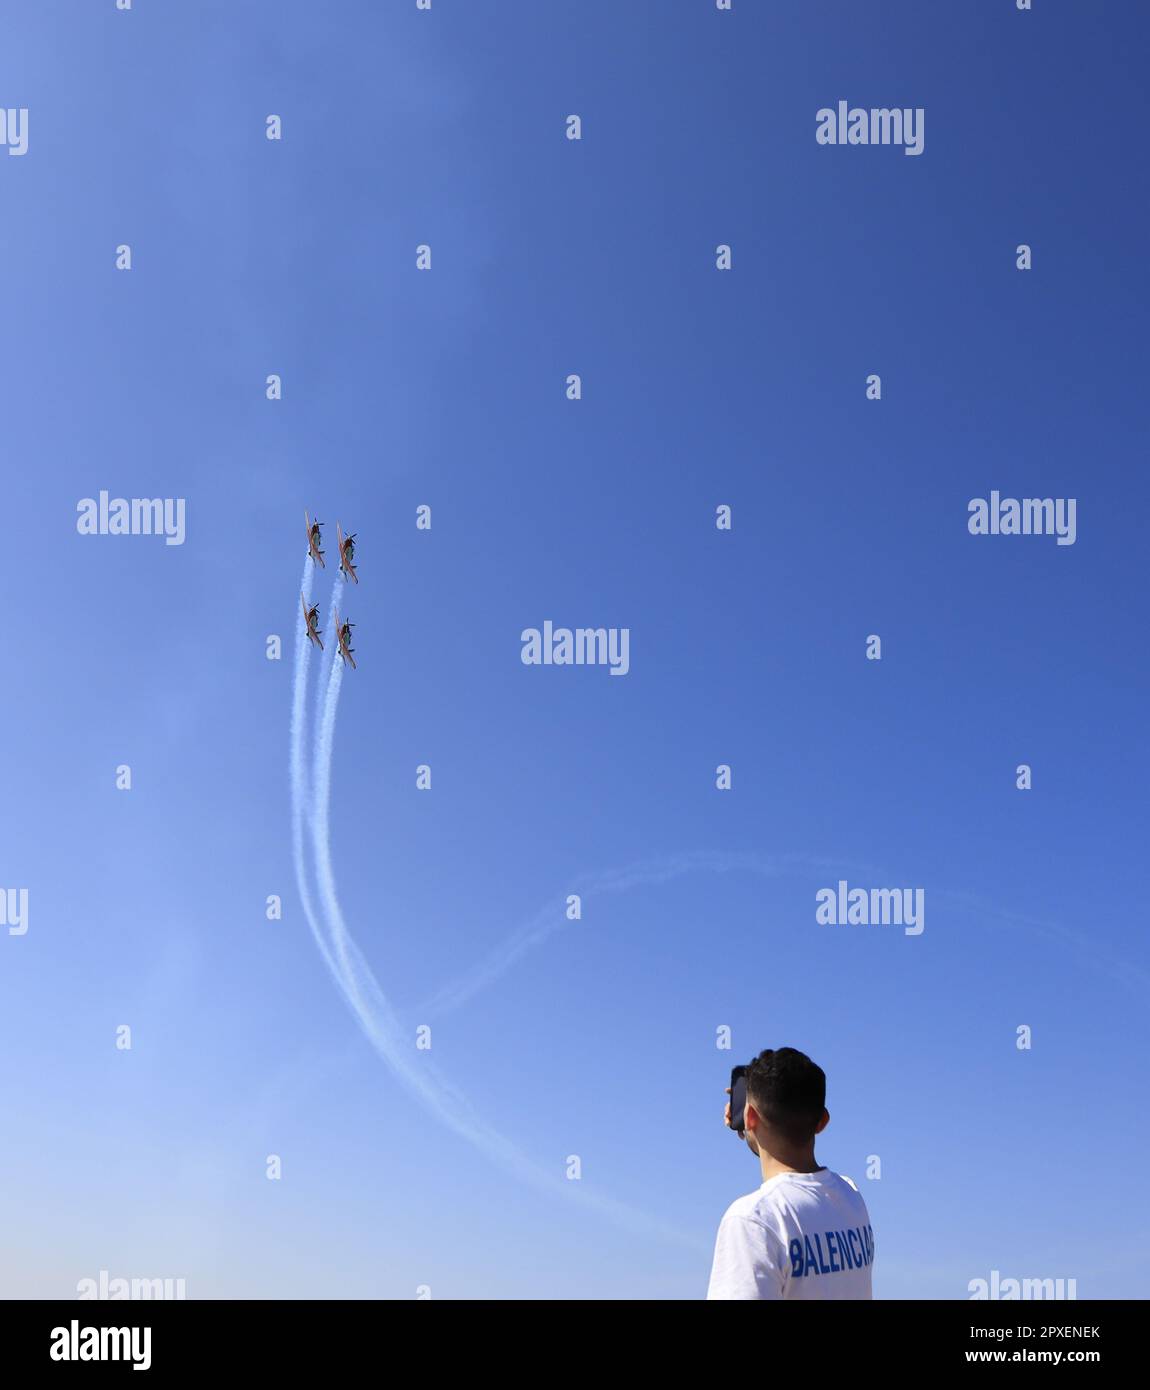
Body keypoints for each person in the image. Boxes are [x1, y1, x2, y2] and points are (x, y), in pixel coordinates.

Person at [706, 1046, 874, 1300]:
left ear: (749, 1116)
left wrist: (754, 1130)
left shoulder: (751, 1221)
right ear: (823, 1121)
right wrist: (752, 1129)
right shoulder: (851, 1198)